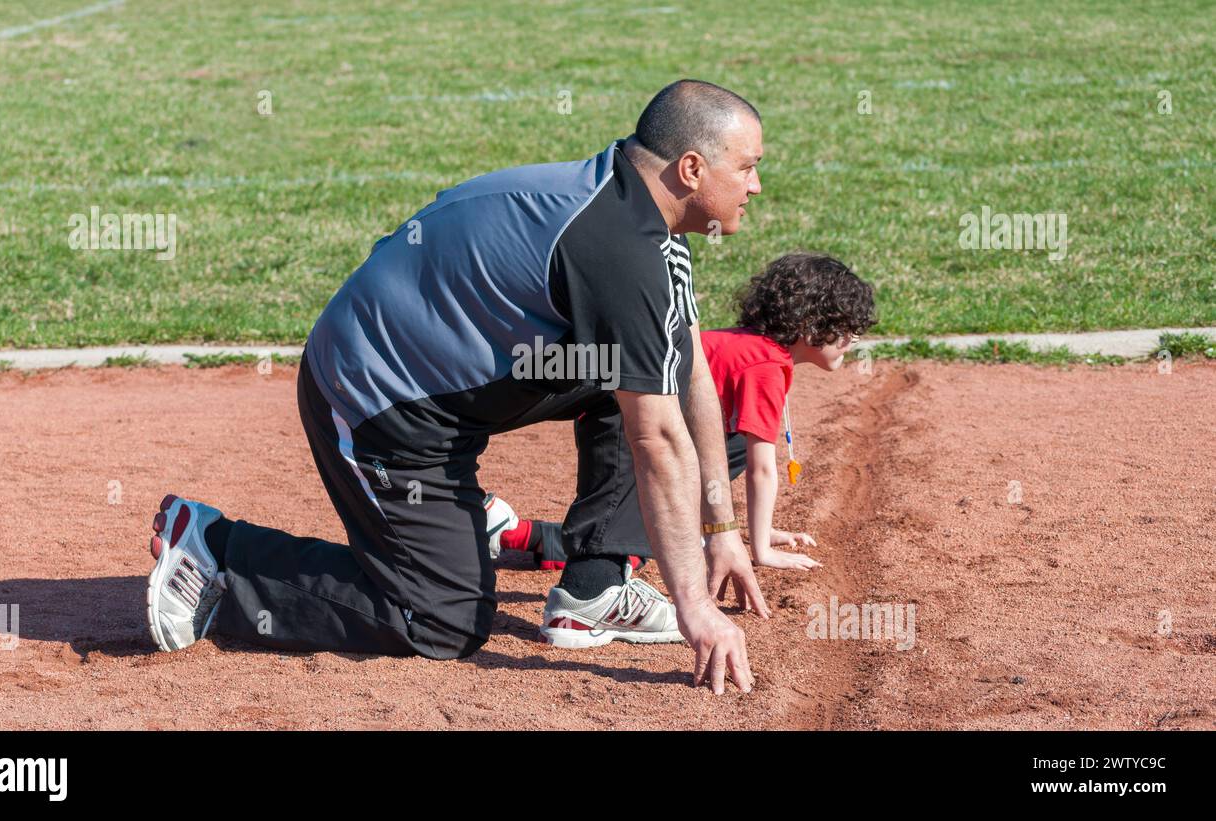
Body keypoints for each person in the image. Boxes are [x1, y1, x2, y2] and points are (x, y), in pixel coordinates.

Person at [145, 79, 768, 695]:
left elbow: (683, 370)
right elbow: (656, 437)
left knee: (633, 373)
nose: (755, 186)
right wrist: (696, 609)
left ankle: (596, 585)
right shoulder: (616, 246)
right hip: (376, 399)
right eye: (747, 168)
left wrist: (722, 532)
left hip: (444, 380)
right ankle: (219, 555)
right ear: (691, 168)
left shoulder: (646, 220)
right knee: (442, 621)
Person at [498, 253, 877, 579]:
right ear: (810, 328)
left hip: (634, 412)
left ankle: (538, 536)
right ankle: (513, 532)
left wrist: (764, 530)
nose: (854, 338)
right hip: (624, 417)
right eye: (847, 328)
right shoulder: (765, 365)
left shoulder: (758, 350)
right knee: (624, 538)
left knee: (728, 449)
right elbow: (764, 468)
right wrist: (762, 549)